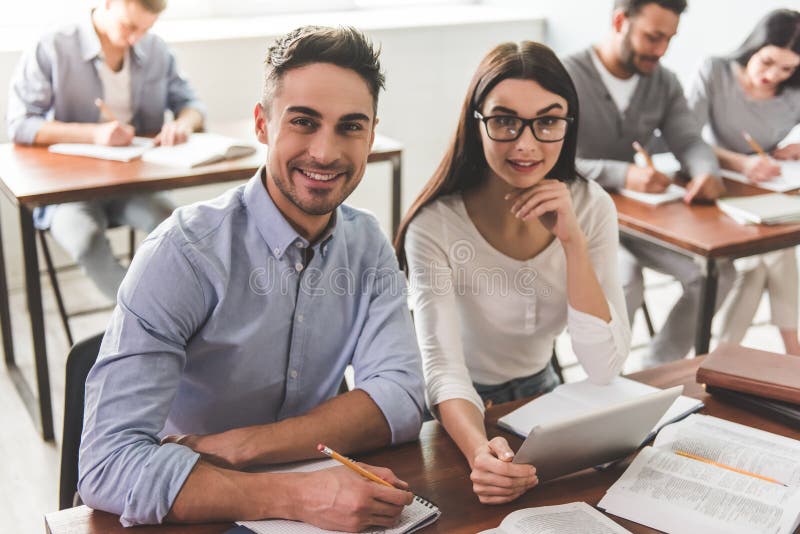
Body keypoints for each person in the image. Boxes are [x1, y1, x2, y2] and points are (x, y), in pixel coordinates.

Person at [78, 25, 425, 531]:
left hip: (286, 483)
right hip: (191, 504)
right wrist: (296, 495)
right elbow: (106, 466)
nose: (326, 153)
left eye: (350, 126)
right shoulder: (183, 254)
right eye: (304, 122)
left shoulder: (367, 242)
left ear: (371, 134)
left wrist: (242, 446)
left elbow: (400, 396)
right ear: (262, 125)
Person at [395, 41, 630, 505]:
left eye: (547, 121)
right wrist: (480, 451)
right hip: (455, 408)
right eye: (504, 121)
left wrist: (573, 244)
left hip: (543, 394)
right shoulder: (435, 224)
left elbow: (605, 367)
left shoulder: (591, 206)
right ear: (476, 122)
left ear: (568, 124)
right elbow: (442, 367)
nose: (525, 144)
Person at [562, 0, 735, 365]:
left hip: (637, 221)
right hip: (576, 216)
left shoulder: (664, 82)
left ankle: (654, 371)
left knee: (715, 274)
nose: (661, 50)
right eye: (653, 37)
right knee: (623, 277)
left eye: (669, 39)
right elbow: (554, 163)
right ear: (621, 21)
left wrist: (706, 172)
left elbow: (688, 140)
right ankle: (602, 379)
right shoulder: (563, 76)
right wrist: (621, 173)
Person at [7, 0, 205, 301]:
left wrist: (183, 124)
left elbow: (192, 105)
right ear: (109, 3)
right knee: (86, 240)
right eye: (129, 26)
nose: (135, 38)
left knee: (174, 227)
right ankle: (143, 314)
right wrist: (94, 135)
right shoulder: (53, 46)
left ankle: (165, 315)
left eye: (146, 29)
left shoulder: (155, 50)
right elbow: (20, 124)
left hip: (135, 183)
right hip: (69, 189)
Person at [688, 9, 800, 354]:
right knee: (776, 249)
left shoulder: (793, 91)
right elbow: (686, 136)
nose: (773, 75)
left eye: (787, 69)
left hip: (768, 190)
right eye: (767, 62)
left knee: (759, 263)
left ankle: (721, 354)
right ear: (753, 46)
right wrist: (742, 162)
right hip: (717, 188)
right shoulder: (716, 71)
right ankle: (793, 349)